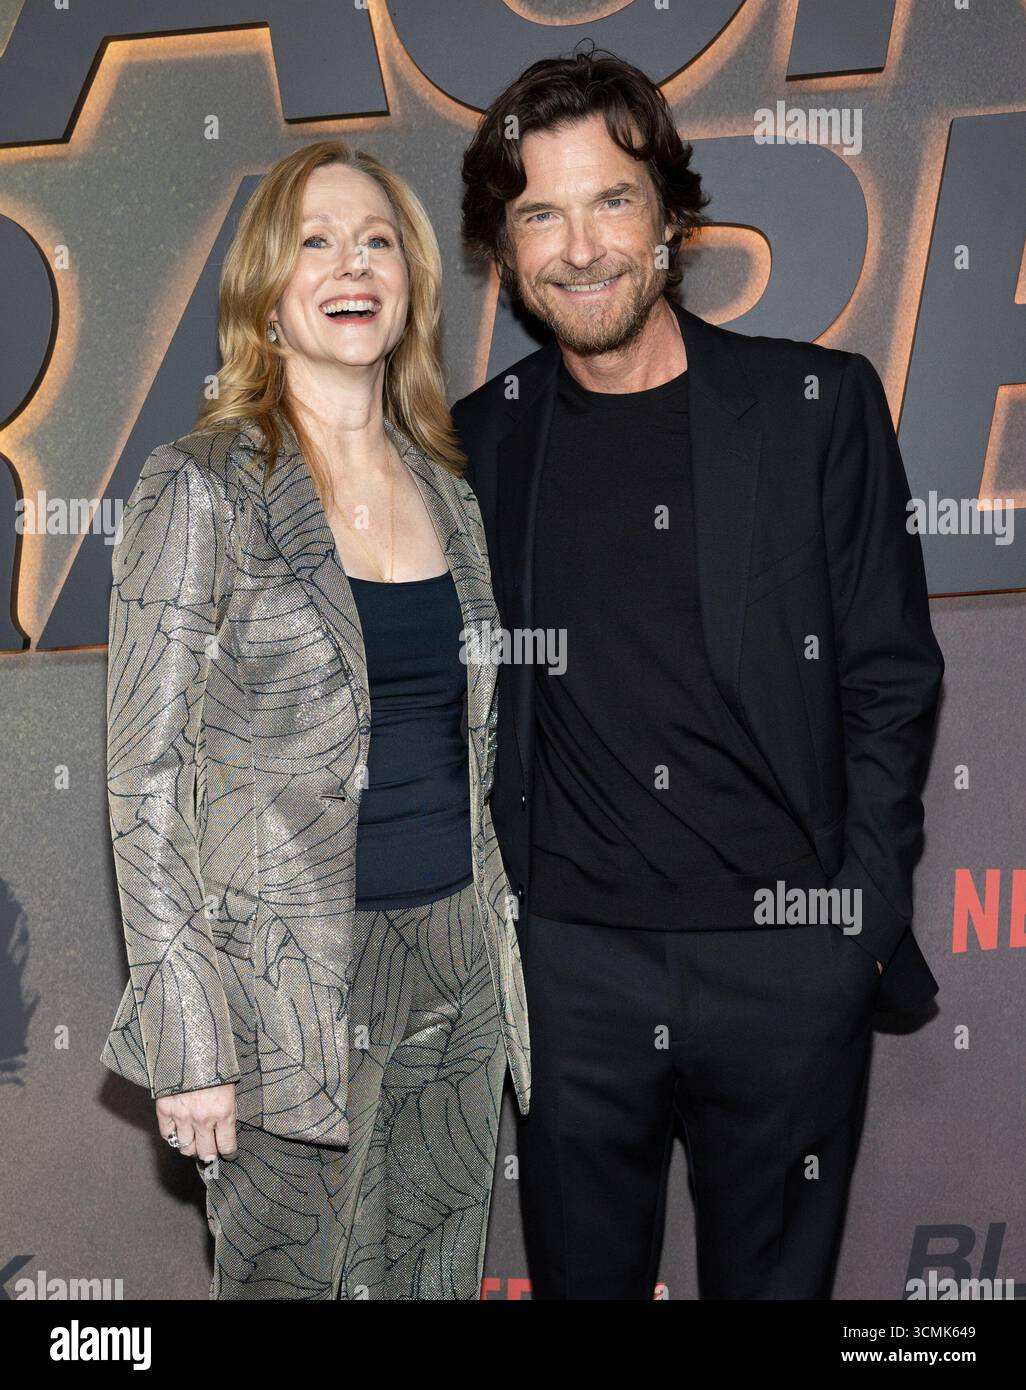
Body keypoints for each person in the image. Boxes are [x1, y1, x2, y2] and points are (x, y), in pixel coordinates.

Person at [451, 49, 944, 1300]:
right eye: (540, 213)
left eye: (611, 200)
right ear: (505, 252)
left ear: (672, 216)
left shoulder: (814, 407)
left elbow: (887, 678)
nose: (581, 247)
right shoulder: (478, 440)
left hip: (785, 956)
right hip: (571, 977)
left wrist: (854, 924)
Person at [100, 138, 529, 1300]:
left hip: (454, 971)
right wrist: (189, 1039)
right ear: (268, 295)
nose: (354, 264)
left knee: (438, 1280)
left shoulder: (449, 486)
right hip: (279, 996)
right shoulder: (201, 485)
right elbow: (143, 787)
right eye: (318, 241)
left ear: (411, 282)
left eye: (378, 240)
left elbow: (471, 744)